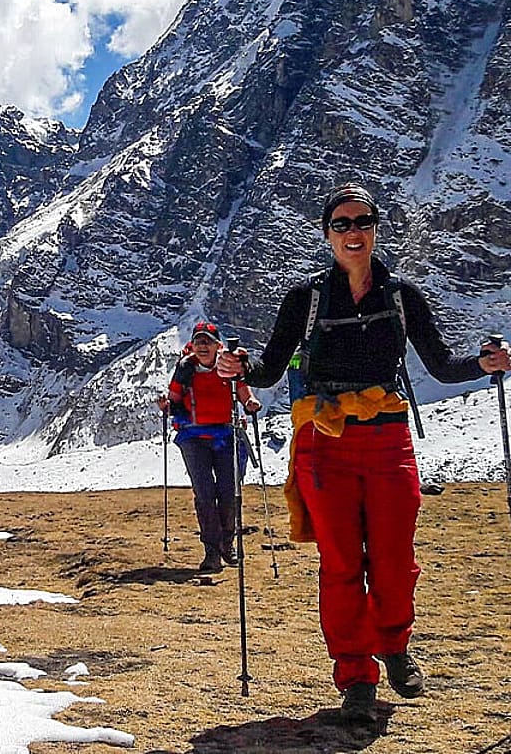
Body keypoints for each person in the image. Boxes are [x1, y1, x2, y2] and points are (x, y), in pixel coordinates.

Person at [215, 182, 511, 724]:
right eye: (343, 224)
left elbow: (443, 366)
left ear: (376, 228)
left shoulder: (402, 296)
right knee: (343, 564)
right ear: (328, 234)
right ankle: (355, 675)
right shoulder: (304, 298)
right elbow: (271, 370)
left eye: (363, 222)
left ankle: (393, 646)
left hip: (388, 439)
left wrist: (483, 365)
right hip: (324, 445)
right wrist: (236, 370)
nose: (354, 232)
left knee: (396, 560)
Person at [158, 320, 262, 572]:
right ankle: (213, 551)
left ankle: (226, 544)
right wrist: (166, 406)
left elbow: (245, 393)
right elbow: (174, 401)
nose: (203, 346)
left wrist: (251, 404)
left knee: (228, 493)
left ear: (218, 346)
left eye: (207, 341)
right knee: (205, 495)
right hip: (193, 438)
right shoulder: (185, 369)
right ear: (192, 345)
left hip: (225, 434)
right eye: (198, 341)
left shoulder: (229, 367)